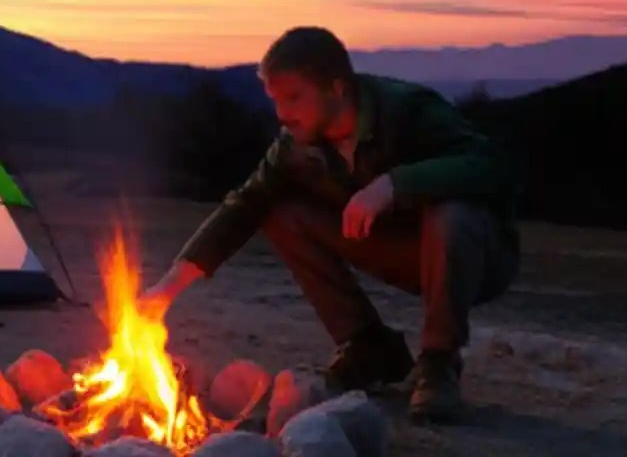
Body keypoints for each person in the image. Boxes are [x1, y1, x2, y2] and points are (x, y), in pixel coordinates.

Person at [140, 26, 521, 422]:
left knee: (452, 213)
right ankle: (367, 346)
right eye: (275, 100)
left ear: (336, 89)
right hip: (396, 248)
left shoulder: (407, 111)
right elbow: (244, 205)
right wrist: (166, 289)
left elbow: (492, 165)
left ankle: (439, 364)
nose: (282, 114)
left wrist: (394, 185)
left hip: (476, 256)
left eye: (293, 98)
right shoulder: (296, 145)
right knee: (278, 209)